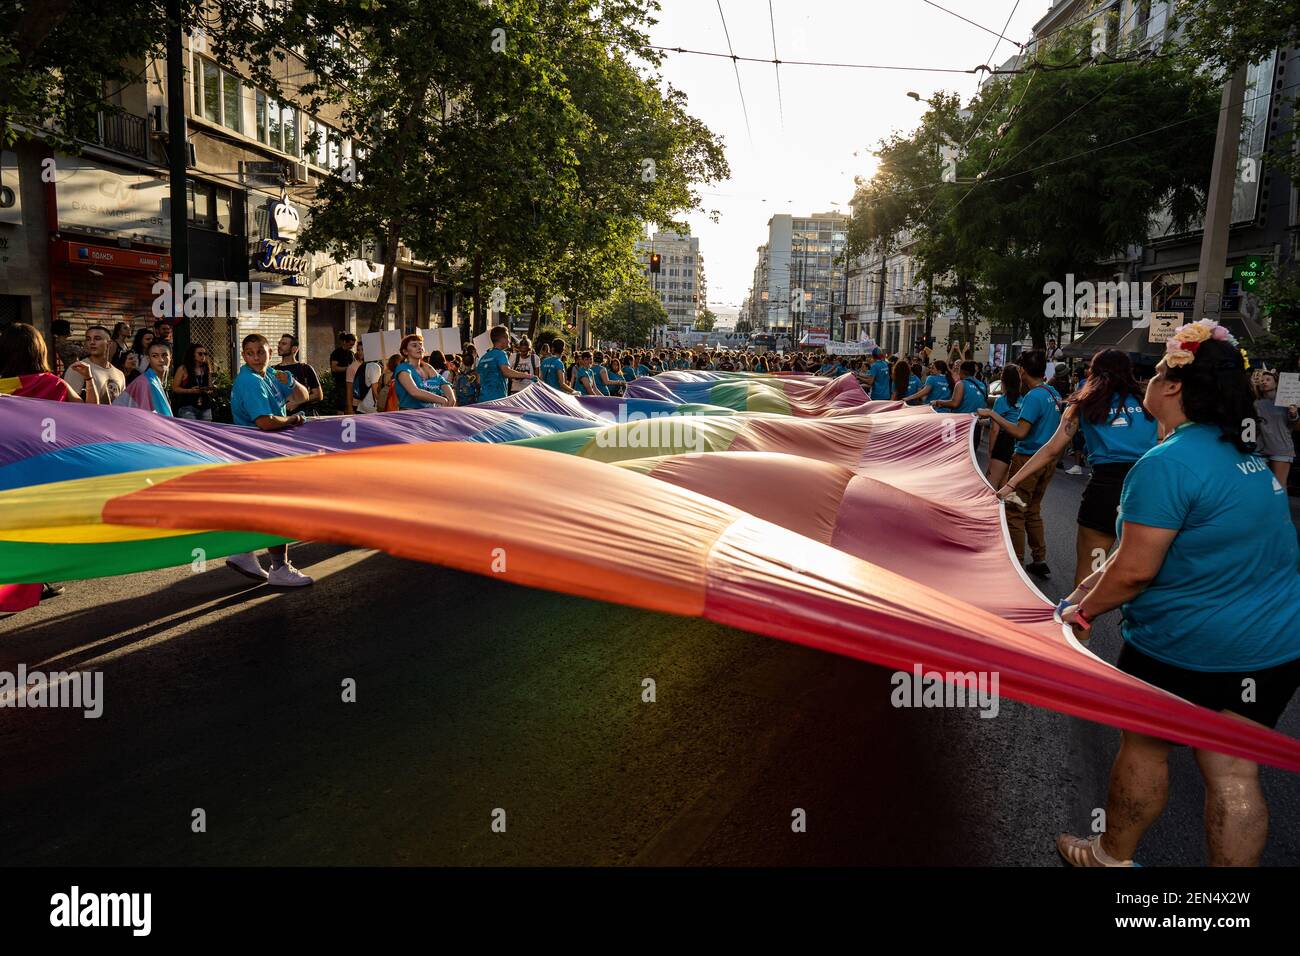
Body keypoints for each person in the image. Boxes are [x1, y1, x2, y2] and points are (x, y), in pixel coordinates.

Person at [1056, 322, 1300, 867]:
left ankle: (1109, 856)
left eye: (1158, 370)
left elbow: (1137, 570)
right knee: (1235, 769)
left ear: (1172, 388)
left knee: (1145, 747)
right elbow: (1128, 561)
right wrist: (1081, 590)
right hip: (1275, 646)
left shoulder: (1165, 464)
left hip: (1187, 646)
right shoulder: (1244, 454)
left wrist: (1084, 611)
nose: (1149, 377)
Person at [990, 349, 1157, 586]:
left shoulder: (1083, 404)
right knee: (1141, 576)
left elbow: (1051, 449)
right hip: (1147, 489)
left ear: (1093, 372)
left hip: (1105, 490)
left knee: (1088, 579)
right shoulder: (1148, 404)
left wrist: (1011, 483)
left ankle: (1081, 619)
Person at [225, 333, 312, 587]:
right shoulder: (250, 381)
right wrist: (294, 420)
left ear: (270, 353)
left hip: (266, 453)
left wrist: (292, 382)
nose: (255, 357)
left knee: (263, 507)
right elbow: (265, 422)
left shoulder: (271, 376)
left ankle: (244, 552)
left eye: (260, 352)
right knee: (278, 507)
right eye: (250, 353)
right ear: (243, 355)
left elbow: (303, 397)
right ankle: (279, 567)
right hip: (258, 453)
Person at [976, 349, 1060, 577]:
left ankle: (1015, 565)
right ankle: (1039, 558)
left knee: (1015, 511)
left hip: (1027, 459)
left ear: (1022, 371)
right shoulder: (1052, 392)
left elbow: (1020, 432)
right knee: (1032, 510)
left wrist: (992, 415)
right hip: (1047, 461)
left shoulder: (1034, 396)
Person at [0, 322, 94, 402]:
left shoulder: (3, 387)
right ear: (39, 352)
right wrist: (89, 379)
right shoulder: (54, 384)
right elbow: (88, 412)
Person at [1254, 369, 1299, 488]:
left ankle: (1281, 507)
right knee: (1261, 486)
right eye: (1262, 380)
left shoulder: (1287, 402)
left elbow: (1295, 424)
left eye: (1268, 380)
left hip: (1281, 448)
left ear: (1277, 383)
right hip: (1260, 449)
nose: (1264, 382)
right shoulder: (1256, 403)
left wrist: (1294, 414)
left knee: (1278, 487)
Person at [63, 324, 126, 404]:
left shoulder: (119, 374)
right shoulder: (78, 368)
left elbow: (122, 406)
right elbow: (70, 405)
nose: (92, 342)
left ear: (109, 344)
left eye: (97, 339)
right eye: (88, 339)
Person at [986, 365, 1022, 490]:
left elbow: (995, 429)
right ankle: (1003, 509)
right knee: (1005, 483)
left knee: (991, 482)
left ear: (1003, 380)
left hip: (1003, 442)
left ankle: (989, 509)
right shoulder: (1023, 399)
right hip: (1017, 442)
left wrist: (991, 449)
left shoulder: (1002, 400)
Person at [393, 334, 455, 408]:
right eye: (414, 345)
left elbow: (442, 382)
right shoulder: (403, 368)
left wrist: (451, 397)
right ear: (405, 351)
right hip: (411, 415)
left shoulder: (427, 367)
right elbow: (414, 392)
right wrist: (442, 400)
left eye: (421, 344)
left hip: (430, 414)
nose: (419, 347)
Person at [114, 340, 174, 415]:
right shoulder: (146, 383)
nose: (161, 360)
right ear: (149, 359)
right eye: (155, 356)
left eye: (164, 355)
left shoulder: (154, 379)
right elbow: (146, 417)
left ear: (171, 357)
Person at [477, 326, 535, 401]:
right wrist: (528, 376)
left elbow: (478, 381)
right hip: (497, 400)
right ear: (502, 339)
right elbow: (506, 372)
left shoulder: (483, 357)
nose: (509, 340)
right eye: (507, 337)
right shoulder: (501, 354)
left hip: (482, 400)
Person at [276, 334, 323, 410]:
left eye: (284, 344)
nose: (279, 346)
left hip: (303, 417)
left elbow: (318, 395)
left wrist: (297, 402)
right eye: (279, 343)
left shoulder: (305, 368)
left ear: (294, 349)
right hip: (282, 418)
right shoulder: (274, 370)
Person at [172, 343, 216, 421]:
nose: (203, 356)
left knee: (205, 431)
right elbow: (175, 388)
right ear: (192, 355)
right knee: (191, 431)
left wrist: (209, 389)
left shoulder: (206, 369)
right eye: (200, 354)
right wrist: (190, 390)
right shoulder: (183, 368)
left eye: (205, 354)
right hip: (188, 406)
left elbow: (209, 385)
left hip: (205, 405)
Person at [345, 339, 383, 414]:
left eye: (363, 349)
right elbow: (349, 388)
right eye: (358, 350)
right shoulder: (354, 367)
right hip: (363, 405)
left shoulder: (367, 365)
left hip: (363, 404)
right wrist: (350, 407)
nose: (360, 352)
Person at [330, 332, 357, 412]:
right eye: (350, 344)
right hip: (340, 383)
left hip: (350, 382)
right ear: (345, 342)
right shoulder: (336, 353)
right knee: (341, 406)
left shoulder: (351, 353)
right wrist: (347, 368)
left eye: (353, 345)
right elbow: (334, 368)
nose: (351, 347)